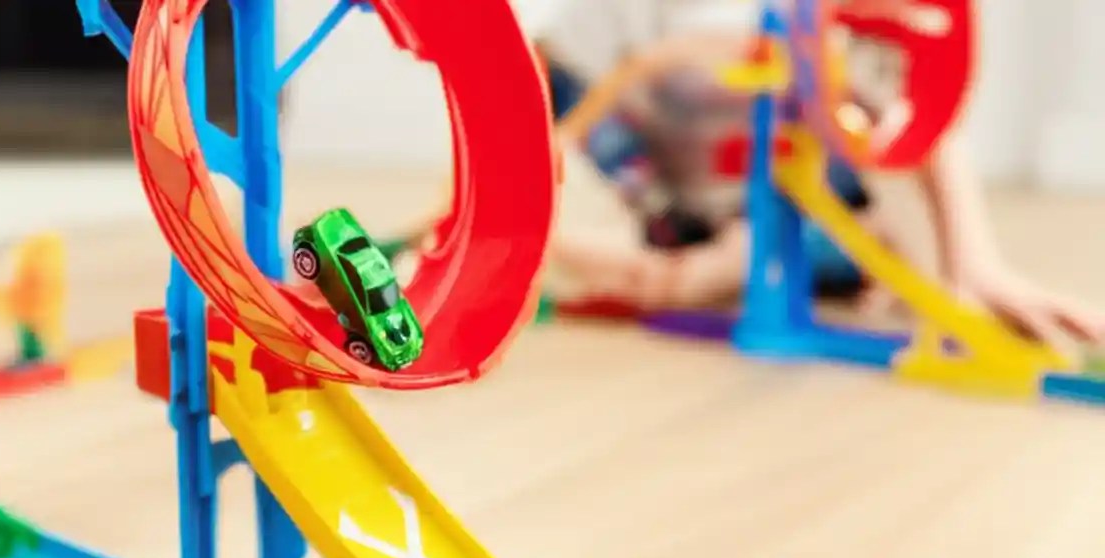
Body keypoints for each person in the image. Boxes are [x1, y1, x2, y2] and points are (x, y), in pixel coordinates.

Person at [394, 0, 1105, 352]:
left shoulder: (833, 44)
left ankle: (793, 251)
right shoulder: (642, 45)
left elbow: (917, 106)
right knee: (663, 272)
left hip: (745, 170)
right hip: (629, 136)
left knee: (816, 233)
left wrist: (975, 262)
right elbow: (600, 80)